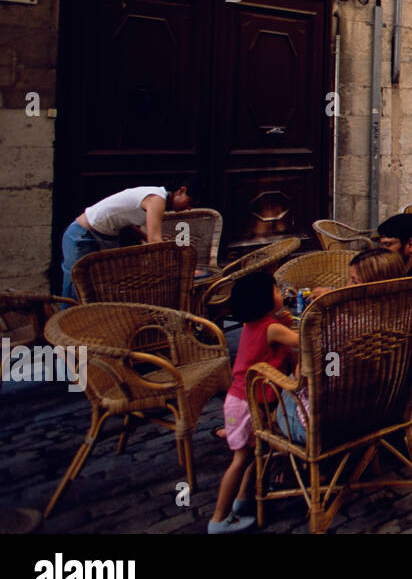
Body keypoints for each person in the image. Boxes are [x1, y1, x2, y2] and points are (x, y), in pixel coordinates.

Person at [211, 271, 298, 534]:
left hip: (242, 400)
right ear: (264, 300)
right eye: (276, 291)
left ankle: (241, 502)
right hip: (246, 403)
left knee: (251, 454)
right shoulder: (271, 328)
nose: (280, 294)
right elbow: (301, 340)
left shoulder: (260, 324)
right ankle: (218, 519)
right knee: (240, 460)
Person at [60, 183, 193, 299]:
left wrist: (144, 237)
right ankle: (63, 326)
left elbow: (126, 219)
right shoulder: (156, 199)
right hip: (83, 235)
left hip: (106, 238)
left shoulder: (154, 196)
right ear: (181, 191)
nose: (189, 208)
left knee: (102, 289)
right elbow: (154, 241)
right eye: (190, 201)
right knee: (77, 289)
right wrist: (176, 264)